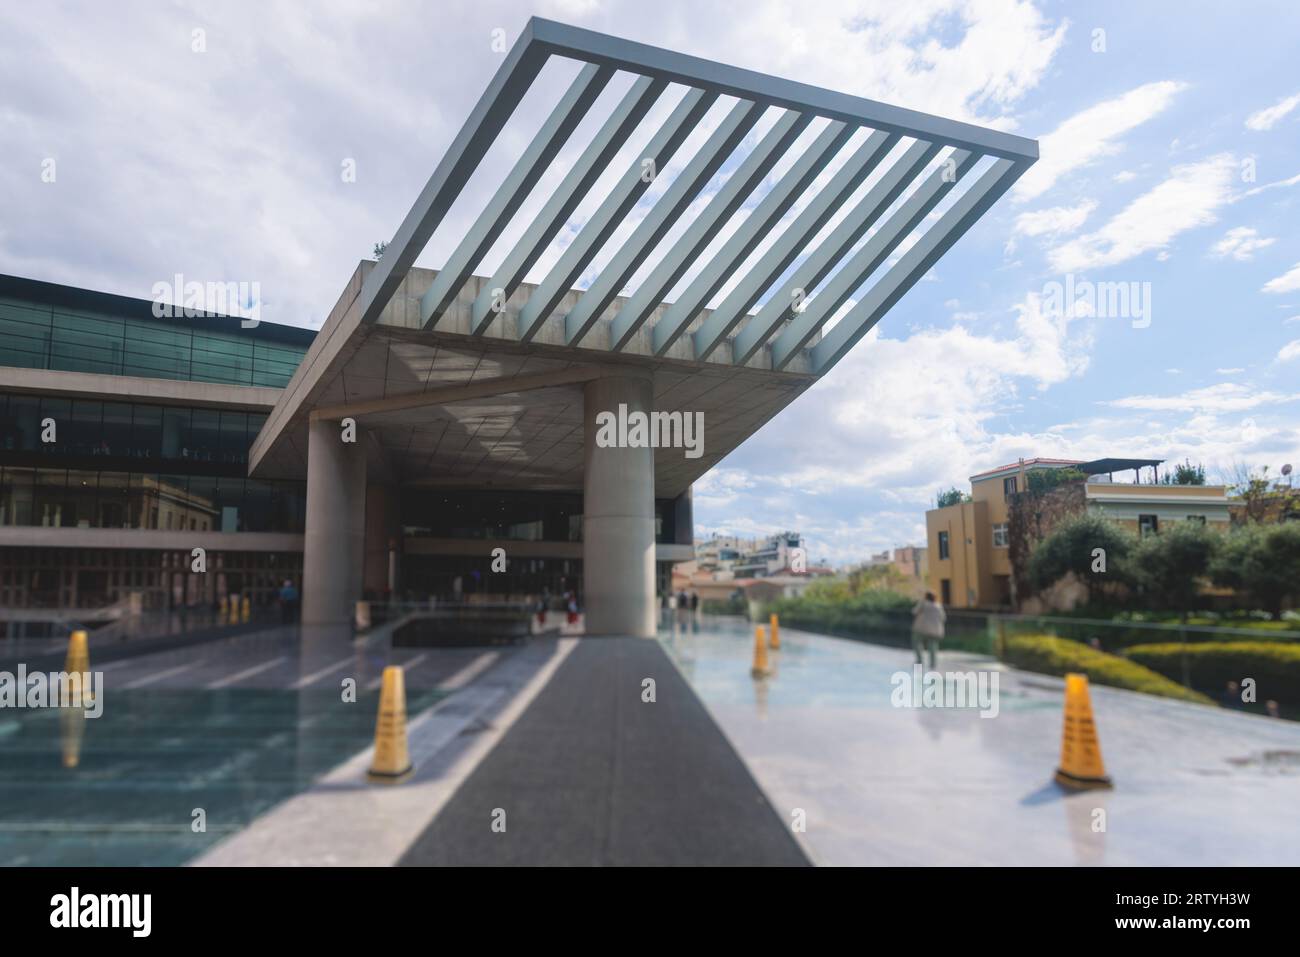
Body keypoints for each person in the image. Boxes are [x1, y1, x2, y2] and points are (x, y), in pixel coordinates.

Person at [910, 591, 945, 670]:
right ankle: (933, 664)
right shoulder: (939, 606)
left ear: (926, 597)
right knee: (933, 646)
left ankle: (919, 661)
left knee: (916, 643)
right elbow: (943, 618)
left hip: (922, 629)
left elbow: (914, 611)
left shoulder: (923, 604)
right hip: (936, 630)